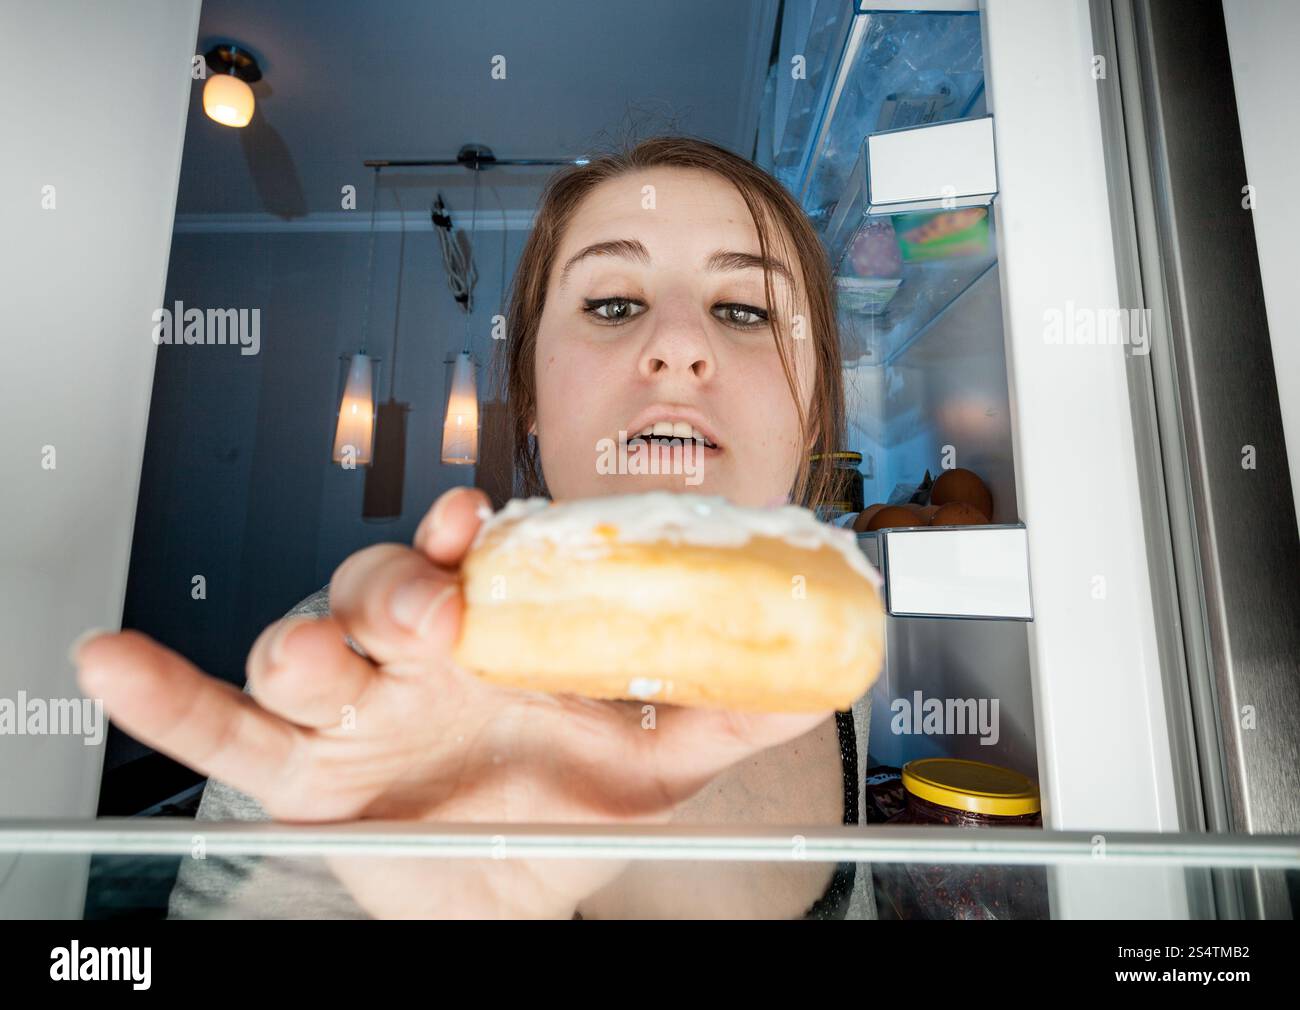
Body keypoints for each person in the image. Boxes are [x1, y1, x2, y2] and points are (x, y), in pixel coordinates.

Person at [73, 135, 877, 919]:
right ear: (527, 394)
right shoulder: (355, 672)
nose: (675, 345)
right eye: (612, 303)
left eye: (744, 309)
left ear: (815, 411)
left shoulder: (839, 666)